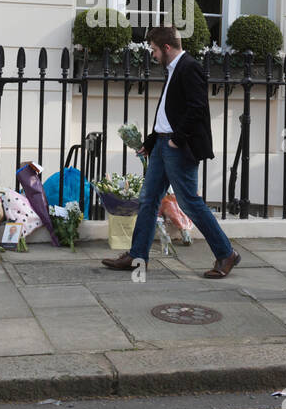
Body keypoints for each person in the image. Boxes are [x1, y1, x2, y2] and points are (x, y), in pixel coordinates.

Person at [102, 26, 240, 278]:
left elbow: (196, 107)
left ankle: (226, 253)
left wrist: (177, 139)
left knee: (189, 202)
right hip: (163, 146)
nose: (152, 55)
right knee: (147, 200)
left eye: (154, 50)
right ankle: (137, 256)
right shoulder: (173, 69)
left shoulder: (190, 68)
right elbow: (168, 111)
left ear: (166, 48)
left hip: (178, 147)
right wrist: (153, 140)